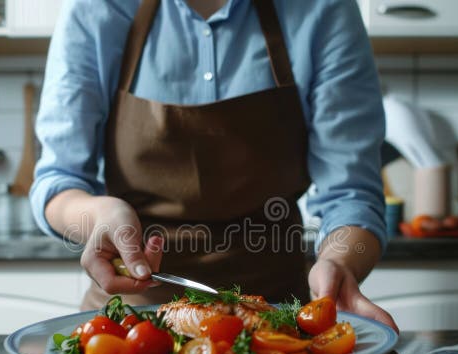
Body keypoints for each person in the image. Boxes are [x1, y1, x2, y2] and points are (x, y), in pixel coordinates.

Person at [32, 0, 398, 332]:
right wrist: (101, 215)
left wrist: (341, 263)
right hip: (129, 330)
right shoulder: (97, 9)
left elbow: (351, 193)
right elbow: (58, 180)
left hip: (275, 326)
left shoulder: (324, 9)